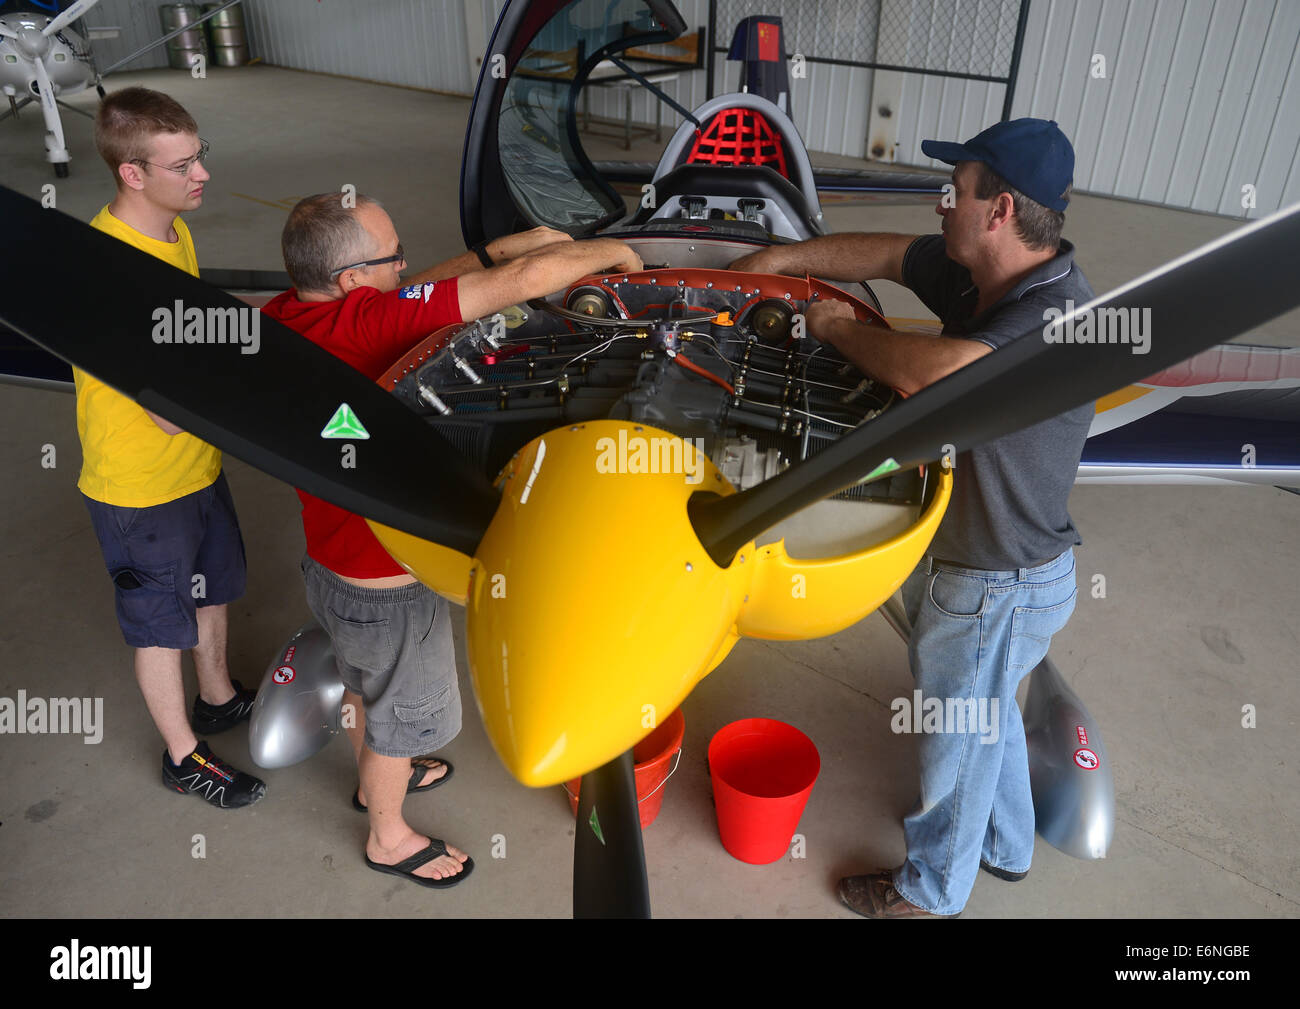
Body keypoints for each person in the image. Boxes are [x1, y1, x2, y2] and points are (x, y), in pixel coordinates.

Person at [732, 118, 1093, 917]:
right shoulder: (988, 274)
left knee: (955, 743)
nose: (941, 207)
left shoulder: (1052, 320)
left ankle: (930, 893)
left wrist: (836, 328)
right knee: (988, 715)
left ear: (998, 211)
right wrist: (781, 261)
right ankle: (1005, 846)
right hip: (1004, 574)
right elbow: (892, 255)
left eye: (954, 193)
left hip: (997, 583)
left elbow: (942, 375)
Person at [264, 193, 643, 887]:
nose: (405, 264)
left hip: (330, 563)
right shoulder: (364, 324)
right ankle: (388, 831)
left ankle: (376, 773)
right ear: (352, 282)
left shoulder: (286, 313)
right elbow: (526, 287)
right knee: (402, 717)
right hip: (388, 584)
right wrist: (615, 255)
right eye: (391, 256)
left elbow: (414, 292)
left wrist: (497, 249)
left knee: (365, 685)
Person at [78, 87, 263, 808]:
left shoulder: (171, 230)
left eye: (199, 155)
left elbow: (193, 335)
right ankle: (184, 755)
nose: (202, 174)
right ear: (132, 174)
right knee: (159, 626)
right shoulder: (110, 272)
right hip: (140, 485)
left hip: (196, 469)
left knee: (212, 589)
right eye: (183, 164)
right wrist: (269, 380)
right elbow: (168, 413)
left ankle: (217, 696)